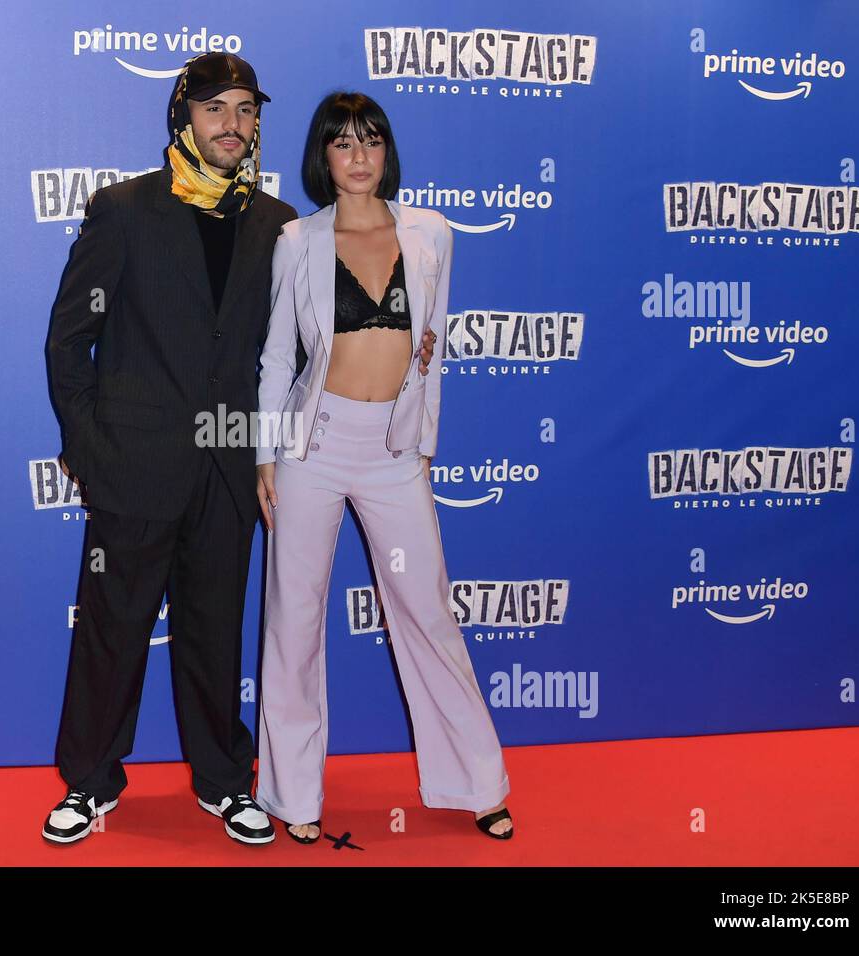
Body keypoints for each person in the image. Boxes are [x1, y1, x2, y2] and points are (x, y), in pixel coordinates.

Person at [41, 52, 298, 845]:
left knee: (217, 632)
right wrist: (89, 449)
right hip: (135, 464)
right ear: (183, 117)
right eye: (216, 108)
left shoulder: (278, 226)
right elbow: (67, 342)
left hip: (228, 466)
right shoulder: (123, 210)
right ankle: (90, 782)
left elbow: (297, 349)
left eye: (247, 110)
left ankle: (225, 781)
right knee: (113, 631)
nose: (234, 124)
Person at [254, 92, 515, 844]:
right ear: (323, 158)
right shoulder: (297, 241)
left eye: (370, 140)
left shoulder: (431, 232)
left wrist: (421, 443)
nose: (359, 155)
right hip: (314, 446)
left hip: (393, 452)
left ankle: (479, 783)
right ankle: (293, 795)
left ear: (386, 151)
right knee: (295, 619)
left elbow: (431, 350)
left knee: (428, 612)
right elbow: (277, 356)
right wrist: (267, 455)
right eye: (342, 143)